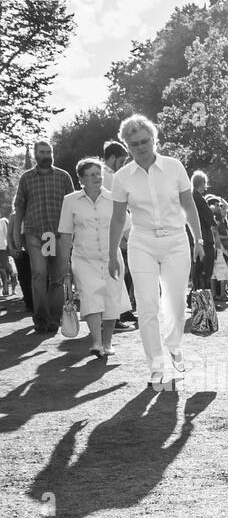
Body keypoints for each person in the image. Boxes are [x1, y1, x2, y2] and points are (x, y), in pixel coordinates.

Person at [107, 115, 207, 389]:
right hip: (142, 243)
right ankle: (156, 365)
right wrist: (111, 253)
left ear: (154, 139)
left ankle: (174, 347)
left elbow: (189, 204)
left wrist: (198, 238)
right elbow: (118, 218)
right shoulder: (121, 178)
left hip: (176, 240)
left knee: (175, 304)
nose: (140, 147)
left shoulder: (174, 167)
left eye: (144, 141)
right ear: (126, 146)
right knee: (147, 305)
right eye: (134, 143)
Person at [55, 157, 128, 358]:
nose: (96, 178)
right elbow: (66, 233)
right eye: (91, 175)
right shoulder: (70, 201)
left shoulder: (115, 198)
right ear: (81, 179)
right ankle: (96, 342)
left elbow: (127, 227)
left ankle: (108, 342)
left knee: (112, 299)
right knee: (90, 296)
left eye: (98, 173)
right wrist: (64, 263)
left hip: (111, 257)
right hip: (84, 258)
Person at [11, 140, 74, 332]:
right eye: (42, 152)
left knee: (57, 277)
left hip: (58, 233)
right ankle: (40, 318)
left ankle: (54, 318)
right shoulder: (26, 178)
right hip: (35, 233)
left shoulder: (63, 176)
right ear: (36, 155)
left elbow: (73, 205)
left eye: (49, 152)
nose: (46, 155)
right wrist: (15, 233)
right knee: (39, 274)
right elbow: (19, 206)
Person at [101, 139, 137, 327]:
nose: (122, 166)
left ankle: (122, 311)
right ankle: (113, 316)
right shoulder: (107, 176)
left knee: (119, 270)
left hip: (111, 227)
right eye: (121, 162)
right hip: (109, 229)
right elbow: (116, 205)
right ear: (113, 158)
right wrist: (128, 232)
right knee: (114, 273)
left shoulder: (107, 174)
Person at [188, 171, 219, 311]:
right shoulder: (199, 198)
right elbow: (210, 219)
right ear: (201, 184)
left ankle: (193, 299)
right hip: (204, 238)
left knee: (198, 270)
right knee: (205, 270)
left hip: (195, 238)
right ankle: (202, 303)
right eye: (204, 184)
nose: (205, 187)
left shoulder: (190, 196)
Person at [0, 210, 15, 297]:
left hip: (2, 248)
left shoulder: (3, 221)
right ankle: (5, 289)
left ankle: (12, 284)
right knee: (1, 269)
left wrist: (10, 246)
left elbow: (8, 234)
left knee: (6, 268)